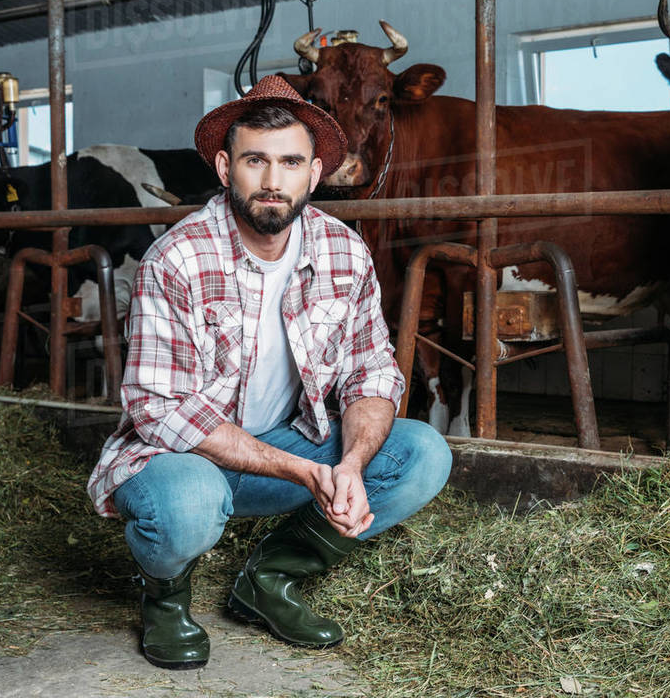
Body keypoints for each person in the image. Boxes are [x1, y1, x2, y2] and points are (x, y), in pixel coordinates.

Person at [86, 75, 452, 670]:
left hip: (282, 447)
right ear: (227, 168)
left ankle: (270, 578)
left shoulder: (344, 251)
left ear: (315, 174)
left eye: (291, 162)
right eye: (256, 160)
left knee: (421, 454)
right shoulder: (176, 258)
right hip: (181, 459)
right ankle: (166, 598)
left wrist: (350, 466)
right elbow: (159, 408)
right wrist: (309, 472)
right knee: (187, 508)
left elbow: (372, 372)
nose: (273, 180)